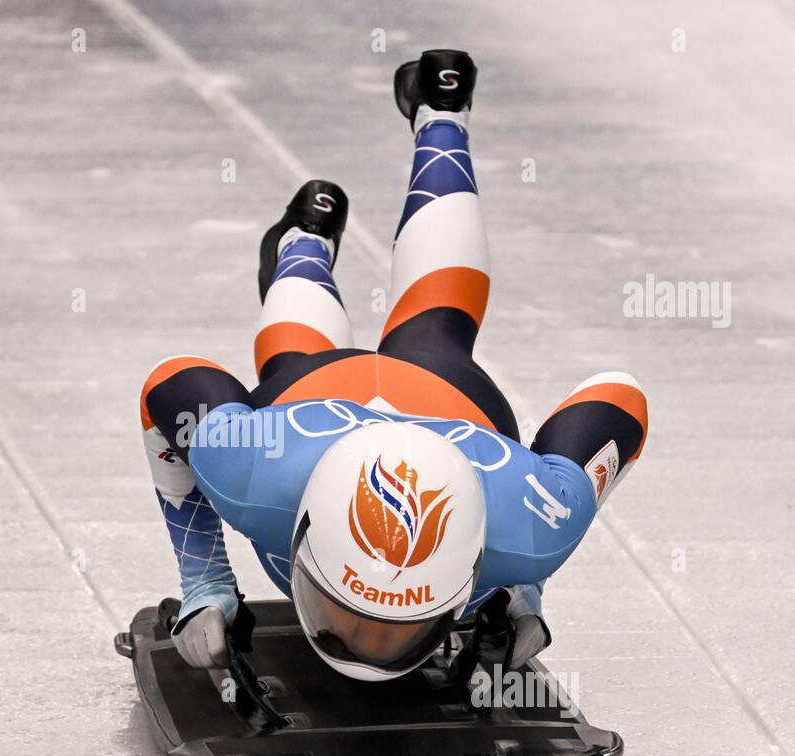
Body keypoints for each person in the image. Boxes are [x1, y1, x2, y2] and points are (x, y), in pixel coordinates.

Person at [139, 50, 647, 680]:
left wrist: (524, 576)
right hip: (409, 399)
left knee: (312, 355)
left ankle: (321, 228)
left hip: (328, 402)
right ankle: (370, 182)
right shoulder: (532, 525)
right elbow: (620, 398)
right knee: (399, 332)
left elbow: (169, 385)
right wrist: (205, 576)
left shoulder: (534, 527)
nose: (368, 642)